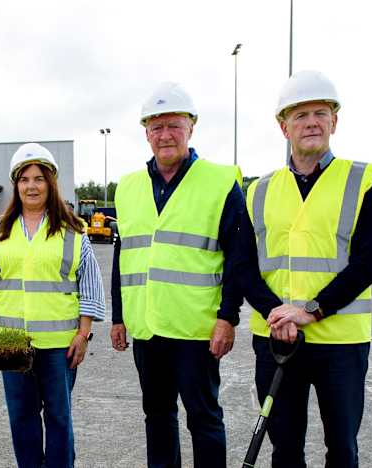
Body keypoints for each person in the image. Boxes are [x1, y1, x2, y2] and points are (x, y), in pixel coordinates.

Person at [239, 70, 372, 468]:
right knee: (284, 449)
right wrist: (277, 313)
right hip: (276, 340)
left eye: (321, 113)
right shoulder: (258, 190)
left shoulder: (362, 181)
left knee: (341, 448)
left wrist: (311, 310)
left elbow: (366, 264)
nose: (312, 122)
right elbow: (246, 268)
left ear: (334, 122)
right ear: (283, 126)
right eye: (300, 115)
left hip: (340, 342)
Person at [110, 82, 244, 467]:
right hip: (147, 328)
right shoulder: (129, 187)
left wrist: (227, 318)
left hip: (196, 329)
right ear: (146, 133)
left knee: (203, 417)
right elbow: (123, 255)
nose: (165, 135)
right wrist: (119, 317)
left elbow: (238, 259)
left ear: (191, 127)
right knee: (157, 416)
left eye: (174, 125)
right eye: (156, 127)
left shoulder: (220, 183)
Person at [0, 143, 105, 468]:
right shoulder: (0, 229)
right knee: (22, 419)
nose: (31, 186)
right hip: (12, 345)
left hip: (59, 347)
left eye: (38, 179)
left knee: (59, 419)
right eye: (24, 180)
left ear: (50, 183)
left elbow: (89, 286)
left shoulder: (73, 231)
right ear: (16, 185)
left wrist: (83, 335)